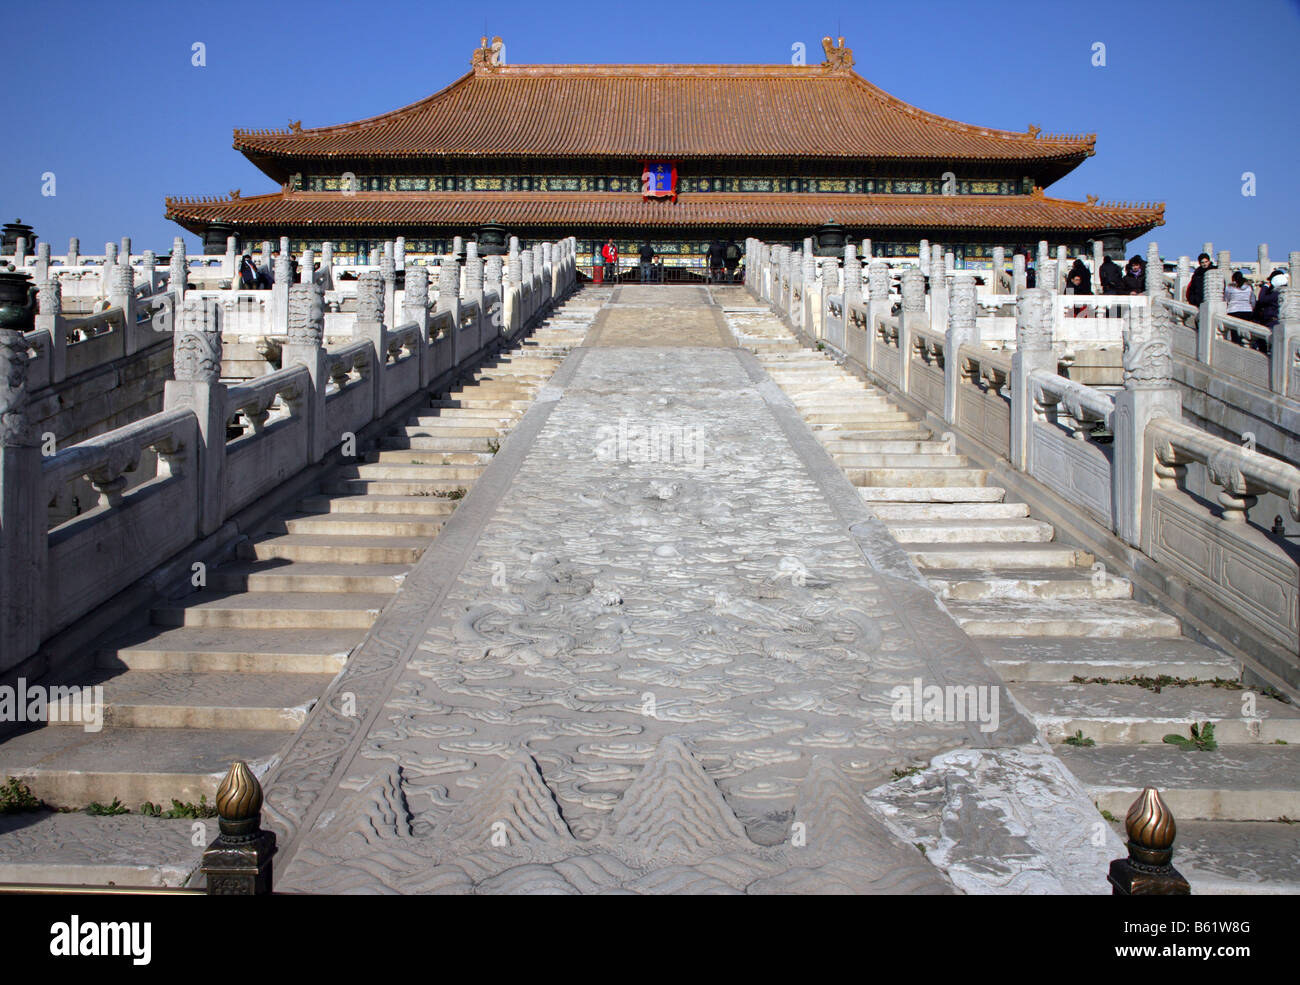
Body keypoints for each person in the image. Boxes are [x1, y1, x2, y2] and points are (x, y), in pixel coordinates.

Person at [1224, 270, 1256, 346]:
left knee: (1235, 332)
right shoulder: (1249, 288)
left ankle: (1236, 346)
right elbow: (1252, 300)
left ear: (1233, 279)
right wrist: (1251, 308)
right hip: (1247, 310)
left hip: (1233, 310)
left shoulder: (1229, 287)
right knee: (1245, 331)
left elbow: (1226, 298)